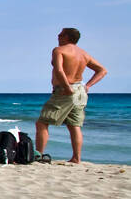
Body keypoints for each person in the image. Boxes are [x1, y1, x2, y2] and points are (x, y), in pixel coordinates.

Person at [36, 27, 107, 163]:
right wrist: (88, 86)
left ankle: (38, 155)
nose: (58, 35)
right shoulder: (83, 54)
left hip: (65, 91)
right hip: (80, 91)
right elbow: (102, 70)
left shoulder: (59, 50)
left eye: (61, 34)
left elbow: (59, 70)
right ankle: (76, 158)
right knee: (74, 125)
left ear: (67, 37)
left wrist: (67, 87)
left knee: (42, 123)